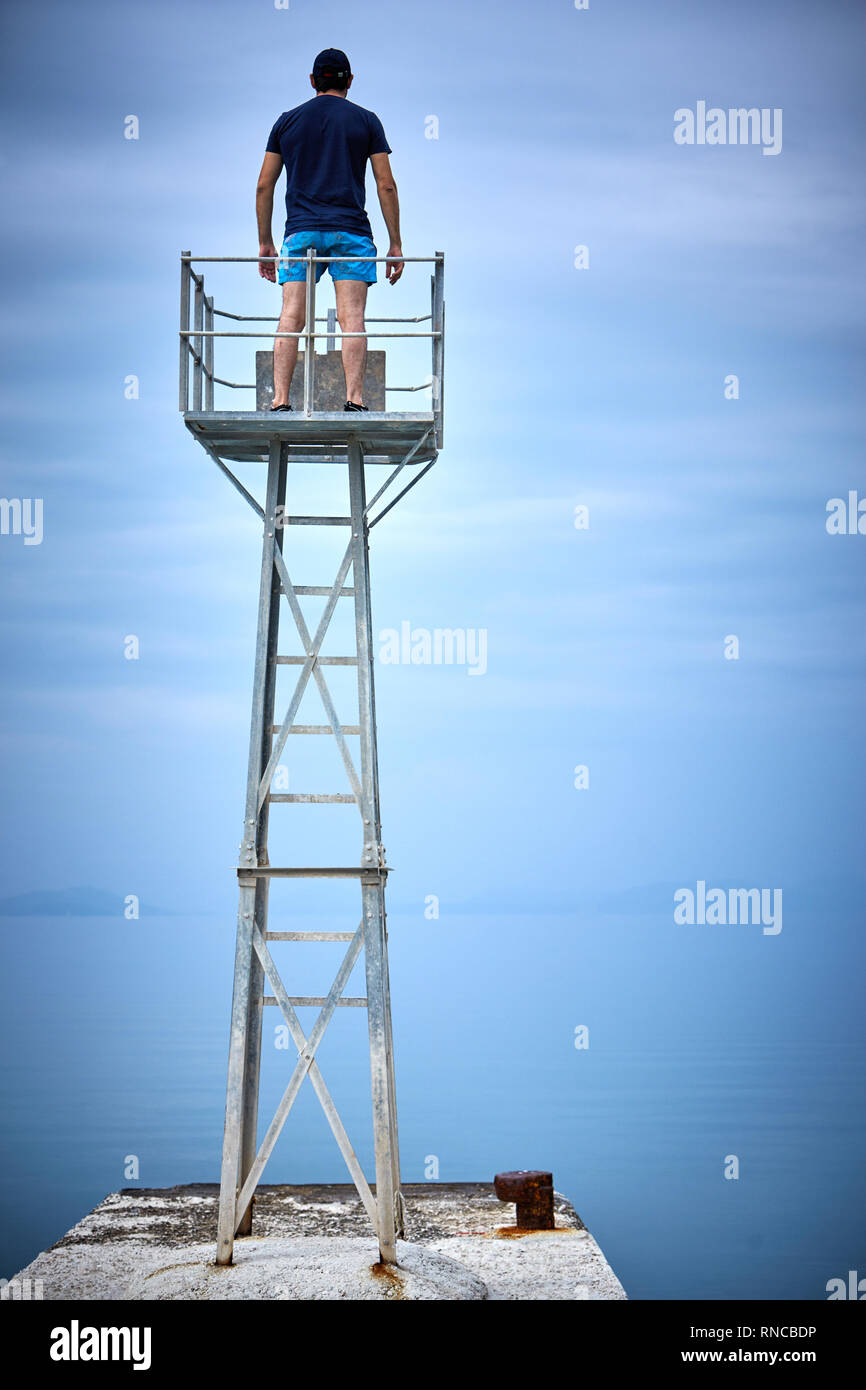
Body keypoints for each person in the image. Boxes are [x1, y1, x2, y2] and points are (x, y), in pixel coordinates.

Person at [255, 48, 404, 413]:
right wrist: (395, 243)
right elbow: (386, 185)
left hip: (301, 233)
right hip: (351, 233)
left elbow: (264, 186)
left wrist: (265, 242)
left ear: (312, 81)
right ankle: (354, 399)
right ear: (350, 81)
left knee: (292, 315)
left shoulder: (286, 122)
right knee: (352, 318)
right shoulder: (367, 121)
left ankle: (280, 401)